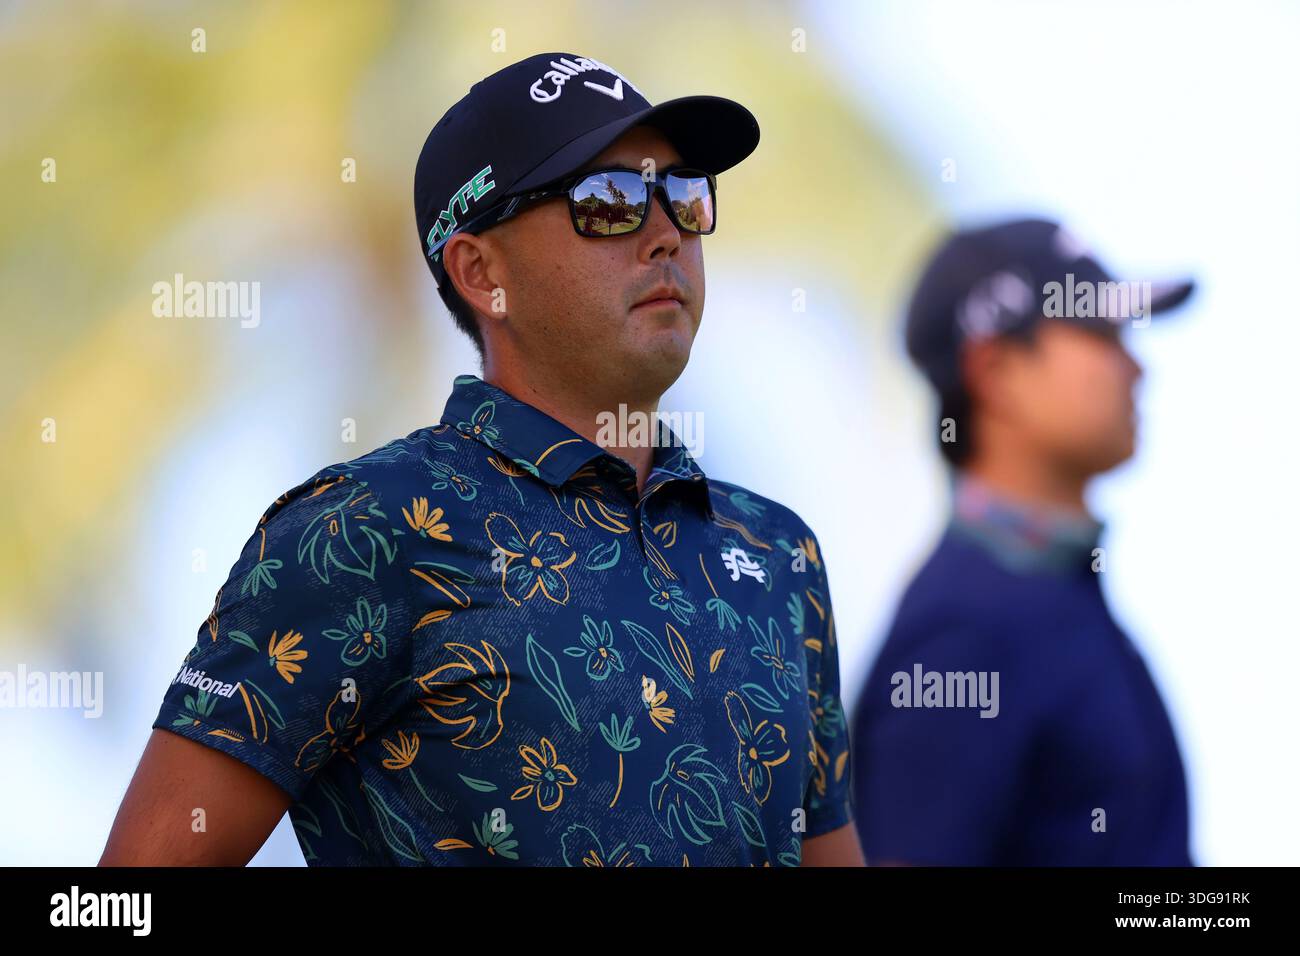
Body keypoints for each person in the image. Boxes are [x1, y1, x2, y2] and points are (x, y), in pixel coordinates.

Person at [101, 52, 861, 867]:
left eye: (682, 193)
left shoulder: (776, 552)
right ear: (481, 272)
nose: (666, 232)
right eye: (609, 201)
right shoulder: (366, 528)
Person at [851, 218, 1194, 865]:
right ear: (997, 369)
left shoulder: (1052, 610)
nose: (1137, 366)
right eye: (1103, 333)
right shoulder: (965, 633)